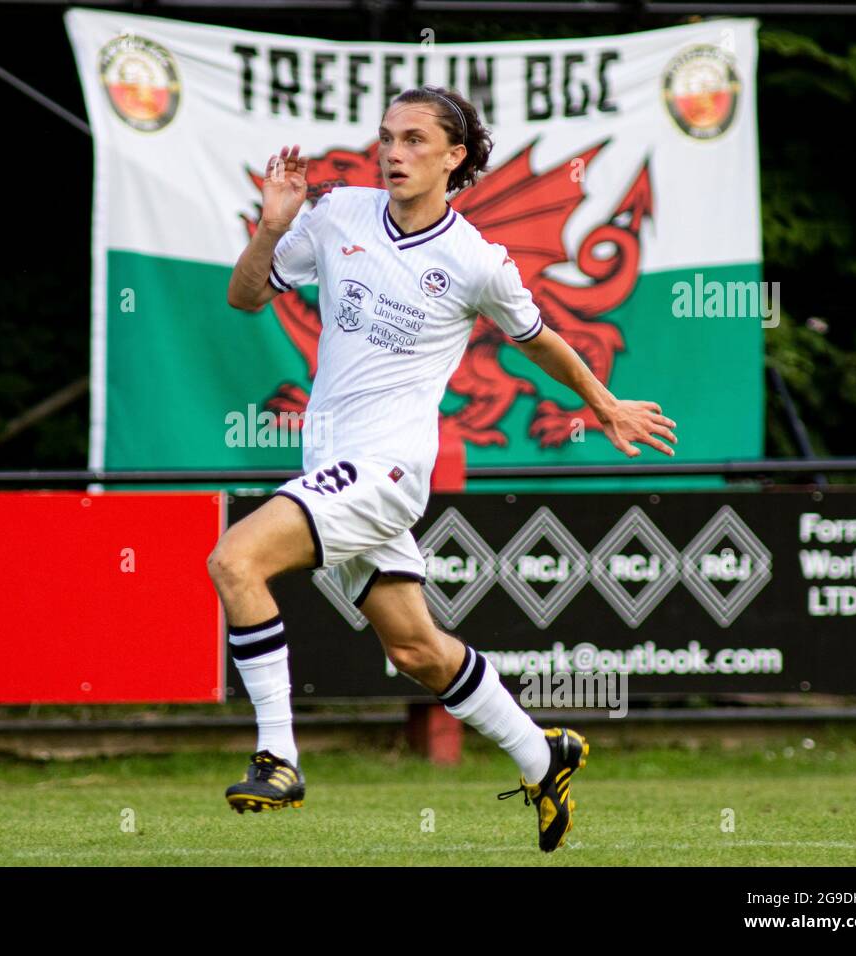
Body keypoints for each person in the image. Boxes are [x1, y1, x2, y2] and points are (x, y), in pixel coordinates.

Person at [210, 86, 677, 852]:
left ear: (454, 158)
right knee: (416, 650)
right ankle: (542, 752)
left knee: (235, 560)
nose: (394, 152)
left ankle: (279, 757)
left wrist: (604, 402)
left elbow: (540, 340)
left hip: (386, 469)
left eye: (415, 140)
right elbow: (245, 297)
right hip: (333, 462)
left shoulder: (476, 262)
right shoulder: (336, 214)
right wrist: (270, 227)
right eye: (388, 138)